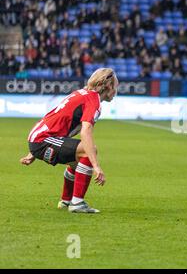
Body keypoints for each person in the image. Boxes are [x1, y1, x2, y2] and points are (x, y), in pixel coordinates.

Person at [19, 68, 119, 214]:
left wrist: (32, 152)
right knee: (88, 151)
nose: (116, 91)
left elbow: (58, 121)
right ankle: (77, 203)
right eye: (116, 86)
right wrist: (96, 166)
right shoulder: (93, 100)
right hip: (43, 139)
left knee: (77, 160)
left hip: (40, 138)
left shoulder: (81, 93)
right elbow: (85, 131)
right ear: (109, 86)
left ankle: (66, 200)